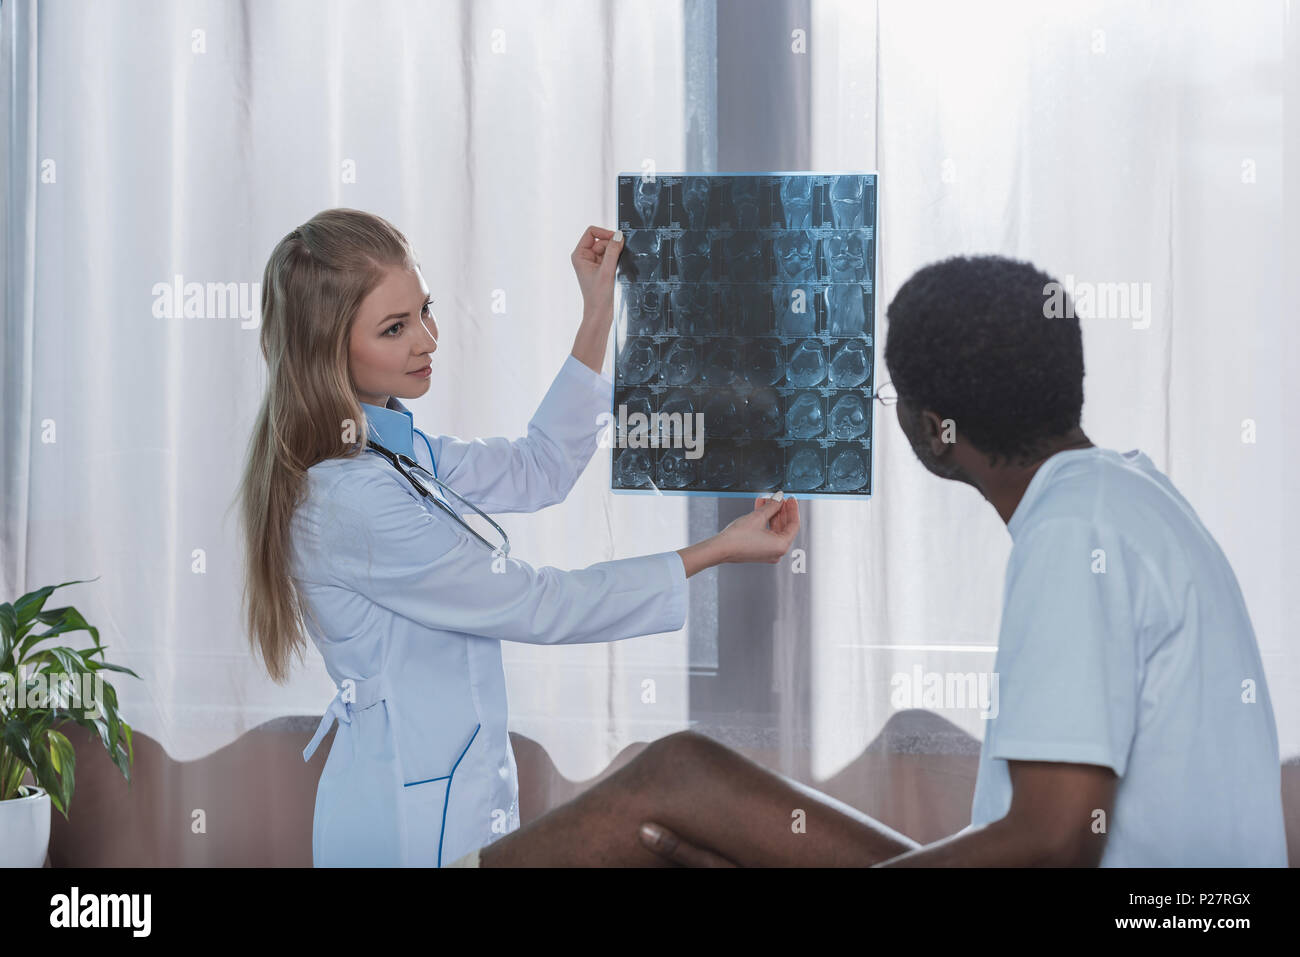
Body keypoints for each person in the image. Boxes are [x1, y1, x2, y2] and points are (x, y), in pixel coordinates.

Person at [465, 254, 1289, 867]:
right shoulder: (1126, 491)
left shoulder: (1076, 534)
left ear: (938, 429)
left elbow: (1053, 840)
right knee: (680, 775)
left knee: (665, 793)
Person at [236, 208, 801, 867]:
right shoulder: (351, 500)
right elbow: (539, 603)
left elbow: (541, 467)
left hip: (449, 783)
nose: (429, 339)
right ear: (326, 348)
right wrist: (721, 548)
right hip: (400, 814)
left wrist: (597, 312)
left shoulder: (398, 448)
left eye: (425, 309)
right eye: (395, 328)